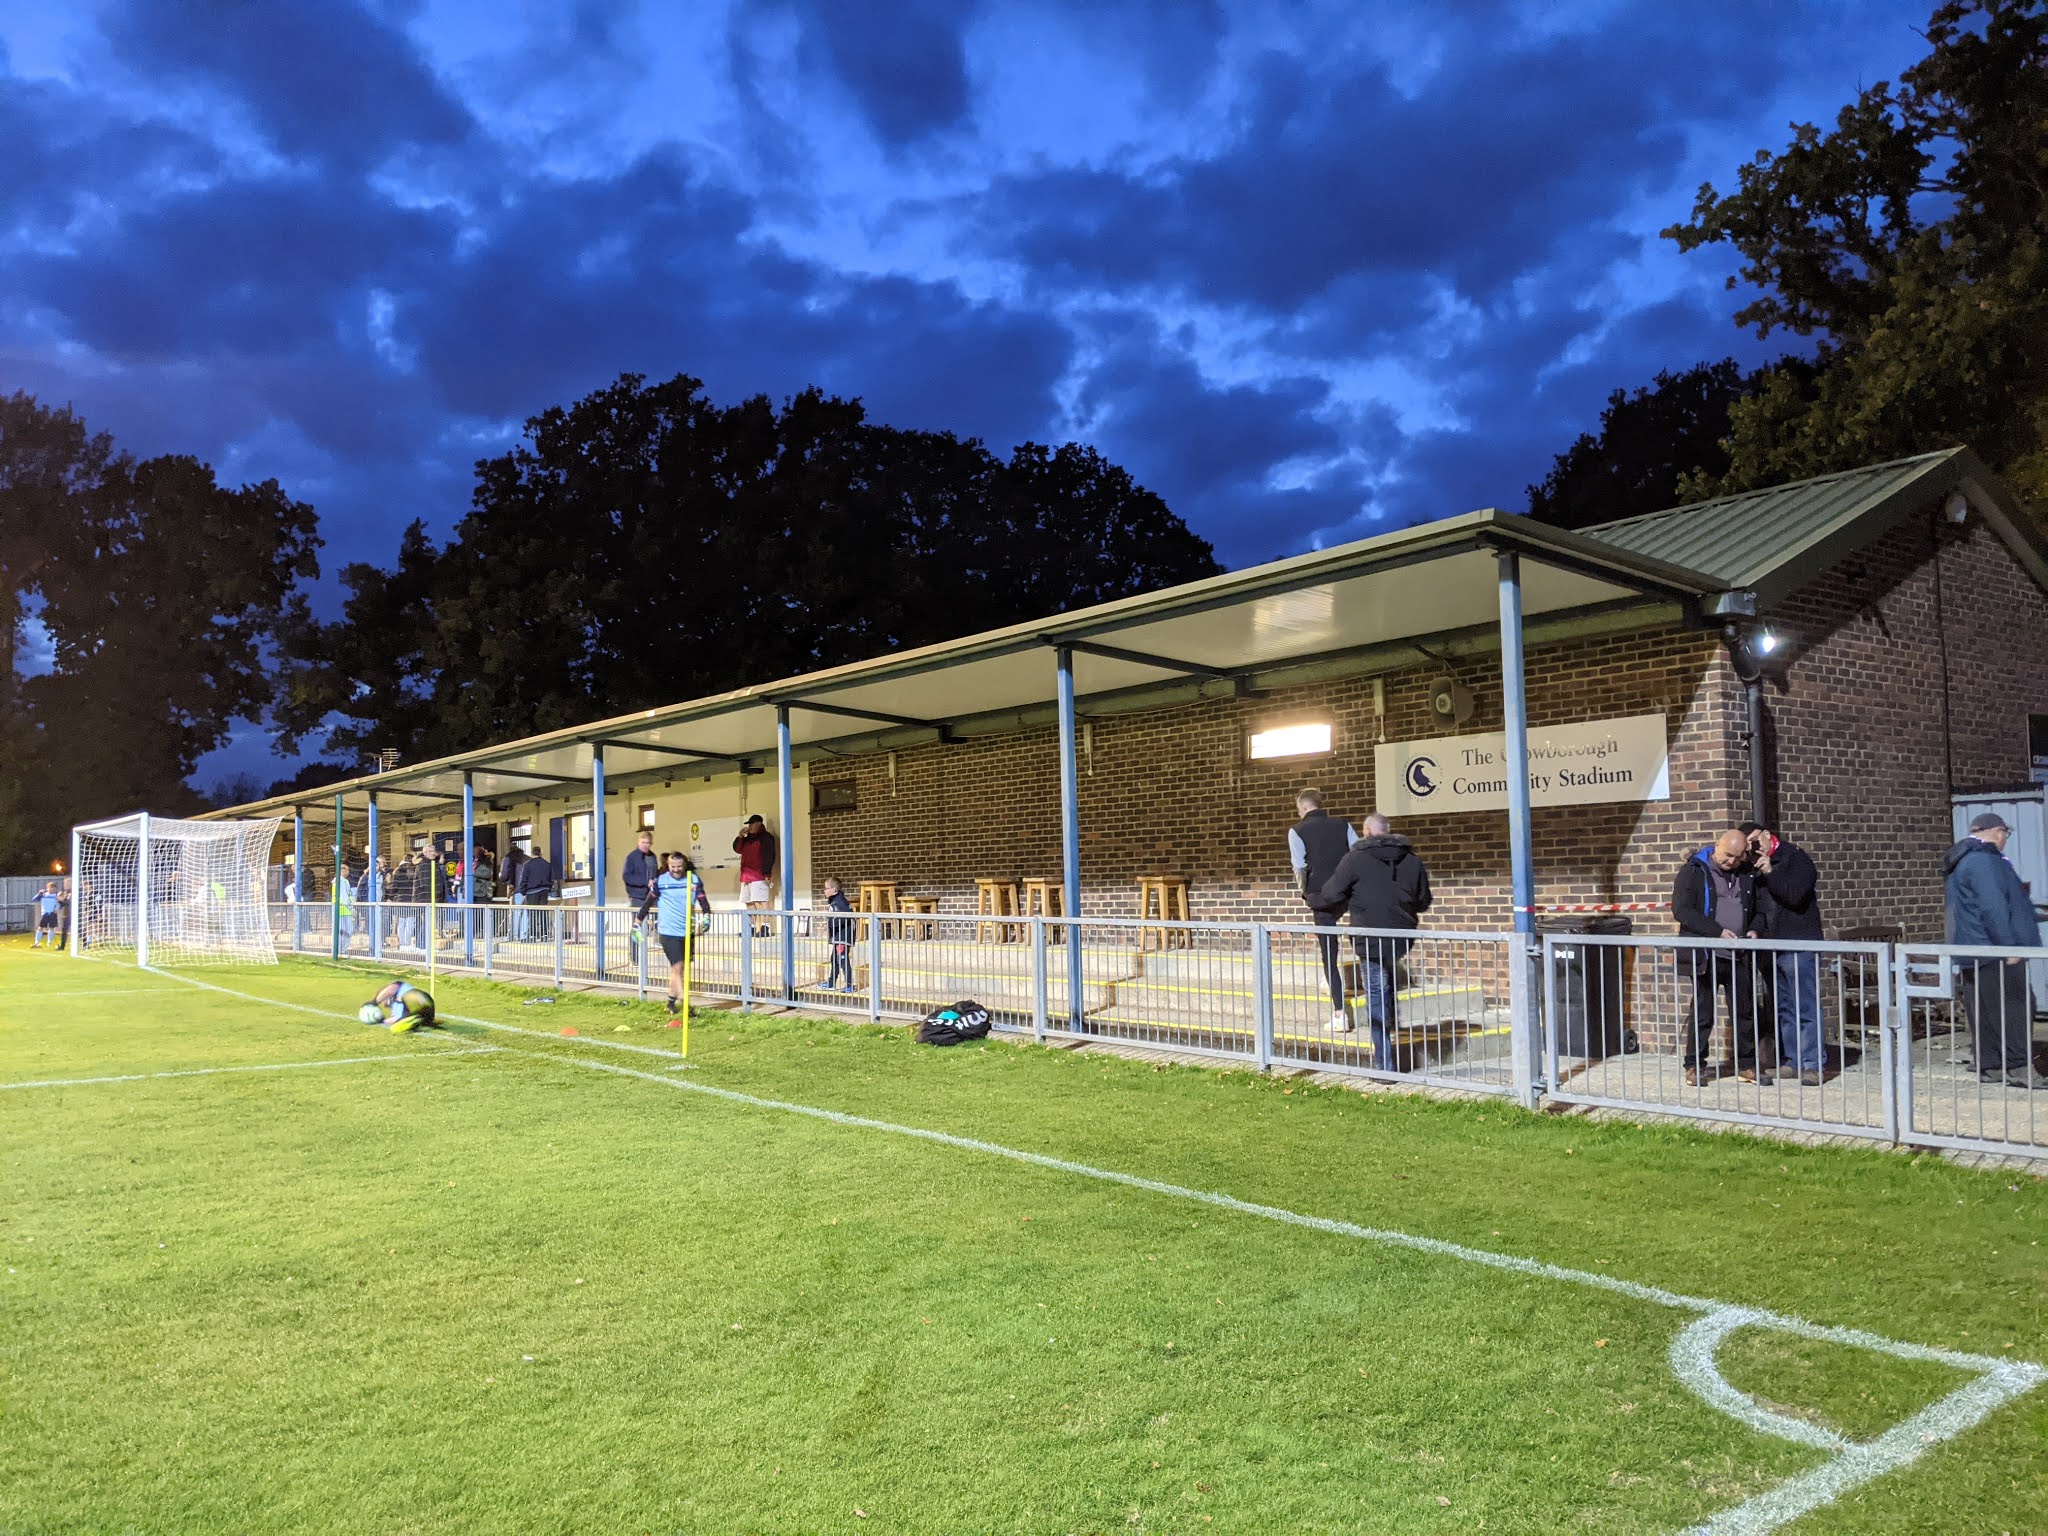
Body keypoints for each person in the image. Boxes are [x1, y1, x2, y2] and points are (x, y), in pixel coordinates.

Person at [1318, 814, 1432, 1068]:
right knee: (1386, 987)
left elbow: (1331, 893)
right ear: (1388, 831)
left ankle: (1384, 1062)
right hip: (1400, 936)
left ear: (1367, 831)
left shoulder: (1354, 859)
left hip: (1369, 937)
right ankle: (1390, 1046)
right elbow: (1423, 900)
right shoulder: (1412, 860)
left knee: (1377, 993)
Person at [1942, 811, 2043, 1088]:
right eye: (2005, 833)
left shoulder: (1964, 860)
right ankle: (2019, 1067)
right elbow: (1992, 906)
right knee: (2016, 1007)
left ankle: (1991, 1065)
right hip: (1993, 949)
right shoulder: (1985, 861)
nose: (2005, 839)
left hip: (1974, 949)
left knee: (1985, 1011)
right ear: (1997, 831)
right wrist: (2008, 946)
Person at [1671, 830, 1773, 1086]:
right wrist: (1716, 932)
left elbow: (1760, 909)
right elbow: (1682, 910)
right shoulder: (1694, 871)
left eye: (1737, 858)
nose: (1731, 862)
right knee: (1703, 1012)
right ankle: (1694, 1065)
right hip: (1708, 953)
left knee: (1744, 1011)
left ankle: (1747, 1065)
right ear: (1717, 846)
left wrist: (1755, 929)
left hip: (1739, 954)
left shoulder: (1747, 874)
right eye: (1728, 855)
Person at [1744, 822, 1827, 1085]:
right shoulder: (1756, 868)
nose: (1753, 850)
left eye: (1755, 842)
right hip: (1773, 947)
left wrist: (1770, 870)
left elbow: (1794, 896)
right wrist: (1755, 930)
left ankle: (1813, 1064)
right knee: (1784, 1007)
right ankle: (1794, 1060)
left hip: (1799, 944)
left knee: (1805, 1005)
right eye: (1748, 847)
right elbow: (1759, 909)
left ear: (1768, 836)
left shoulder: (1795, 858)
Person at [1287, 789, 1360, 1030]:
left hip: (1320, 895)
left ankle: (1340, 1013)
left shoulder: (1297, 831)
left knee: (1329, 953)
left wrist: (1305, 893)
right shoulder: (1344, 825)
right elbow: (1357, 853)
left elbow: (1300, 867)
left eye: (1298, 808)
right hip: (1347, 890)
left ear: (1304, 807)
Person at [636, 851, 712, 1018]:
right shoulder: (661, 881)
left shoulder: (693, 879)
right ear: (667, 866)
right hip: (667, 931)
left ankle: (670, 1002)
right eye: (672, 867)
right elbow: (648, 902)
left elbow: (702, 899)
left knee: (679, 969)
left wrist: (707, 916)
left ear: (684, 866)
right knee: (677, 967)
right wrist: (638, 922)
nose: (676, 870)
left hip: (687, 931)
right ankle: (686, 1005)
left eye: (679, 867)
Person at [733, 815, 778, 935]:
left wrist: (767, 872)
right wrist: (740, 837)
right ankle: (751, 927)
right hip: (746, 876)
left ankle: (765, 927)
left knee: (763, 900)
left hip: (759, 875)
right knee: (748, 902)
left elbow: (769, 855)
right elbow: (737, 849)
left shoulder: (766, 837)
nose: (749, 827)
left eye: (751, 824)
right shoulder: (747, 838)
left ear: (757, 824)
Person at [358, 977, 437, 1034]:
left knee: (408, 1004)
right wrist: (381, 1021)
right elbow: (396, 1018)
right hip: (422, 1008)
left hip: (417, 997)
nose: (382, 1004)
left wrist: (374, 1001)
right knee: (395, 1028)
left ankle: (417, 1019)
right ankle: (423, 1020)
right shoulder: (394, 1007)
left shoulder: (397, 988)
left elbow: (390, 989)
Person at [823, 877, 856, 992]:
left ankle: (850, 985)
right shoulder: (835, 900)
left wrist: (831, 924)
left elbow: (845, 917)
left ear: (834, 890)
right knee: (834, 959)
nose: (824, 891)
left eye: (826, 888)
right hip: (838, 937)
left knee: (842, 959)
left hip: (843, 936)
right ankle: (831, 983)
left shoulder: (840, 902)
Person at [516, 843, 554, 941]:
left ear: (532, 853)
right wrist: (548, 888)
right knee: (543, 913)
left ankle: (532, 935)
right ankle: (544, 935)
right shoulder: (547, 864)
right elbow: (551, 879)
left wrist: (523, 891)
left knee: (532, 913)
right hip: (544, 891)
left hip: (531, 891)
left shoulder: (527, 865)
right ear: (540, 853)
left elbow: (523, 879)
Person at [31, 882, 60, 948]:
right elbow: (34, 899)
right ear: (47, 888)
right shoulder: (43, 895)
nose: (51, 889)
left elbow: (59, 904)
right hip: (45, 913)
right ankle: (36, 942)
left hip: (52, 913)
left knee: (51, 928)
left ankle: (49, 942)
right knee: (40, 927)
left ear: (55, 888)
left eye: (53, 888)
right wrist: (39, 893)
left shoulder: (56, 896)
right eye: (50, 887)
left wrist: (56, 909)